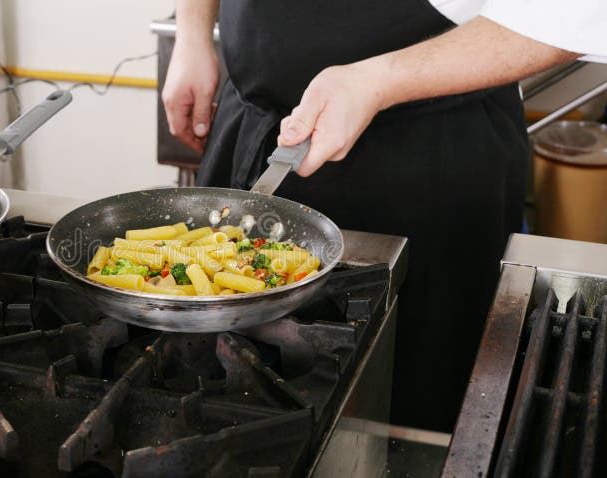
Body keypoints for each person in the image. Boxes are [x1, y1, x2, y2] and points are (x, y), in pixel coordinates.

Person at [162, 0, 606, 432]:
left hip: (424, 155)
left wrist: (379, 81)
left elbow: (572, 11)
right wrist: (193, 34)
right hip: (250, 118)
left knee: (399, 408)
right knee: (215, 395)